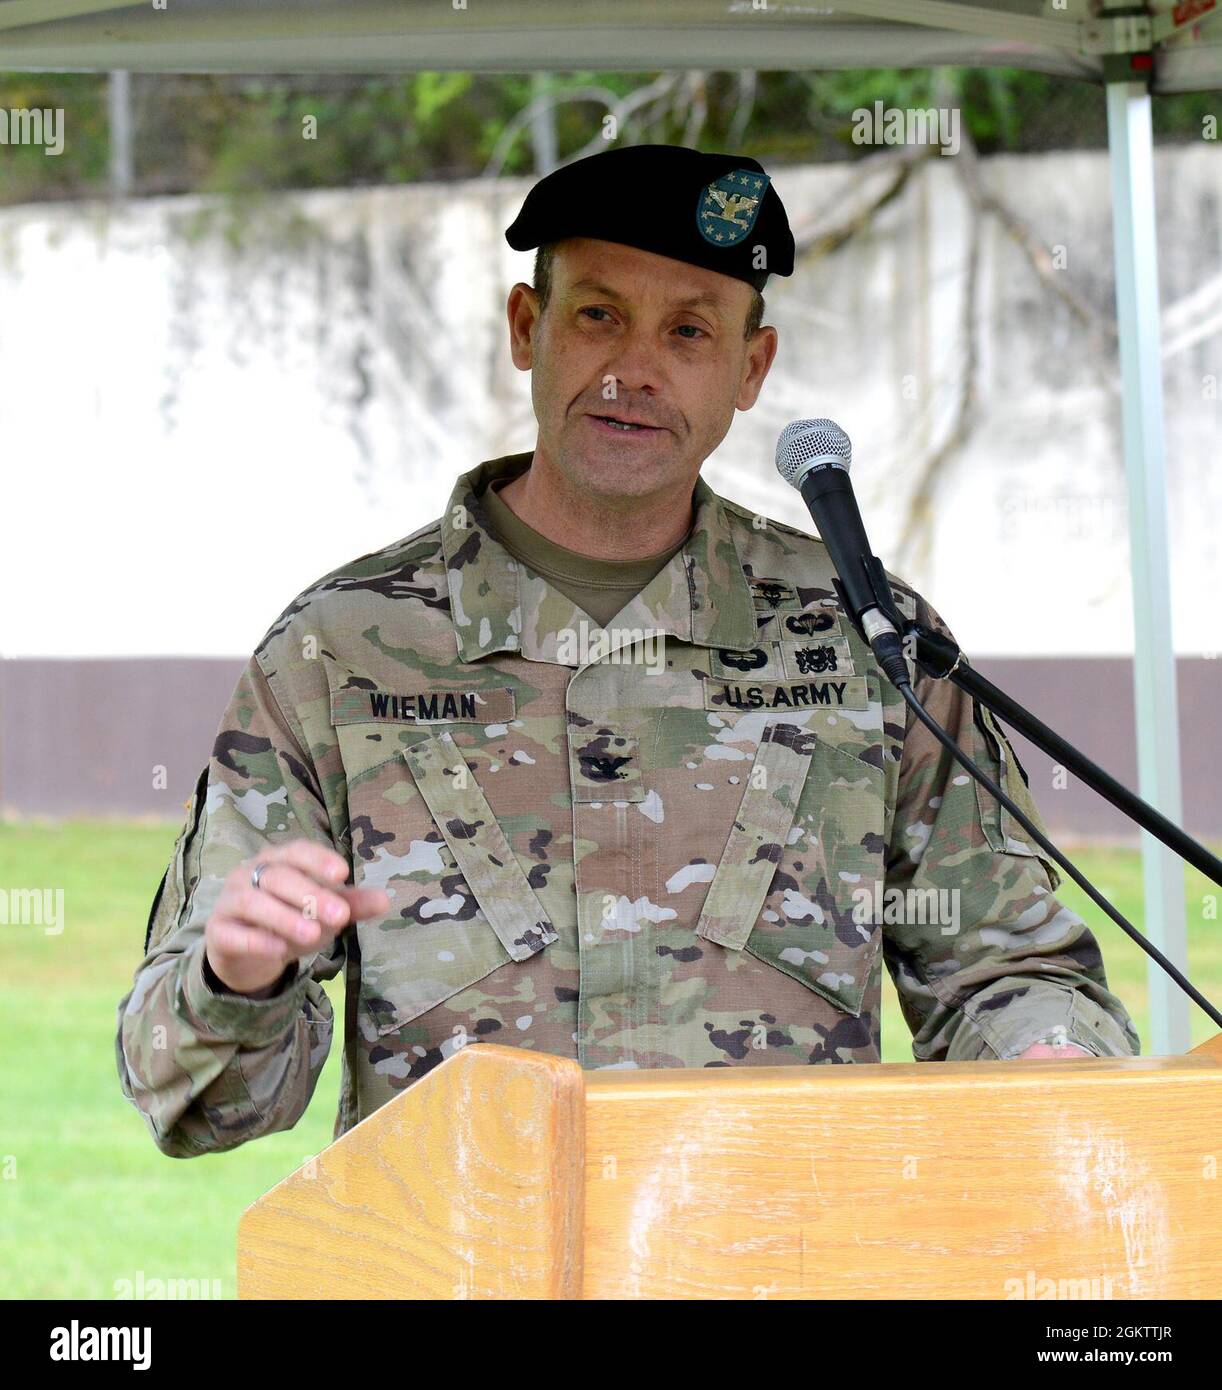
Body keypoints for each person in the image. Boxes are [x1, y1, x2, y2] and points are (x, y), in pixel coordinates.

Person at [116, 143, 1138, 1158]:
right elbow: (205, 1103)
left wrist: (1050, 1050)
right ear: (529, 328)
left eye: (688, 330)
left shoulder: (867, 641)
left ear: (750, 368)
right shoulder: (341, 652)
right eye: (598, 314)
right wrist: (235, 978)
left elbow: (1000, 970)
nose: (633, 369)